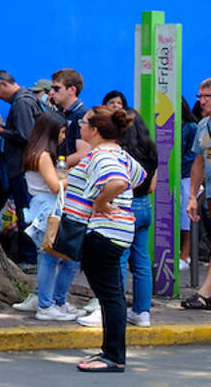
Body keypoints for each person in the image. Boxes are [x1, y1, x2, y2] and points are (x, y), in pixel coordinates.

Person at [66, 105, 145, 373]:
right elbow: (139, 175)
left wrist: (101, 201)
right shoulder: (118, 153)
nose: (80, 126)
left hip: (104, 231)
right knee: (110, 294)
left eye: (85, 123)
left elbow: (119, 181)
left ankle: (114, 356)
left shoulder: (101, 155)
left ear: (95, 130)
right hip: (116, 230)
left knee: (110, 295)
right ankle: (110, 351)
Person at [80, 94, 155, 328]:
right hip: (144, 206)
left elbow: (119, 182)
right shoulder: (150, 149)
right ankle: (142, 312)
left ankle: (112, 309)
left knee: (118, 263)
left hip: (120, 210)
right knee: (142, 260)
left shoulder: (113, 153)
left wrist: (101, 201)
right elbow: (149, 184)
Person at [16, 112, 81, 319]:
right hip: (48, 208)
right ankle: (46, 304)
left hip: (44, 207)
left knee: (55, 258)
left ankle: (51, 301)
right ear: (51, 132)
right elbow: (55, 186)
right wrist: (75, 175)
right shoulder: (43, 156)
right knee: (52, 259)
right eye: (62, 132)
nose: (63, 137)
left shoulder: (38, 153)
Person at [0, 69, 40, 262]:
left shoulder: (22, 103)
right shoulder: (24, 101)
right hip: (24, 167)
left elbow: (25, 135)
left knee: (25, 212)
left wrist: (2, 131)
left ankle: (29, 257)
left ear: (4, 84)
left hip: (23, 167)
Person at [183, 77, 211, 310]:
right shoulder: (203, 125)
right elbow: (198, 161)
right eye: (200, 96)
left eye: (207, 96)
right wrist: (192, 196)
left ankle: (204, 294)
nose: (202, 101)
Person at [49, 68, 89, 159]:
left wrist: (57, 167)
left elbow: (84, 153)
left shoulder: (83, 115)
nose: (51, 92)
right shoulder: (59, 113)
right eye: (52, 88)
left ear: (72, 90)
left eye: (56, 88)